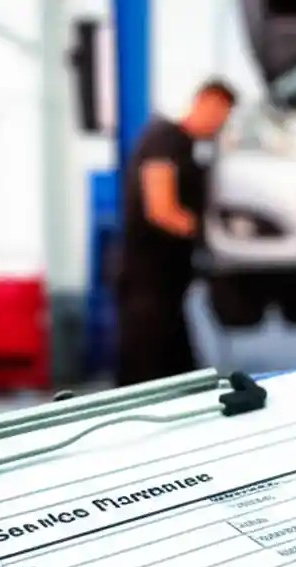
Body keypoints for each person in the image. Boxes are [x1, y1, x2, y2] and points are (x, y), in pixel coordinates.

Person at [115, 79, 237, 386]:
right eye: (222, 114)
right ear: (206, 103)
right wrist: (214, 239)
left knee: (179, 375)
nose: (221, 124)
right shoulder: (165, 139)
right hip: (147, 286)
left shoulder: (188, 147)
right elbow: (162, 210)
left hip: (168, 289)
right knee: (149, 375)